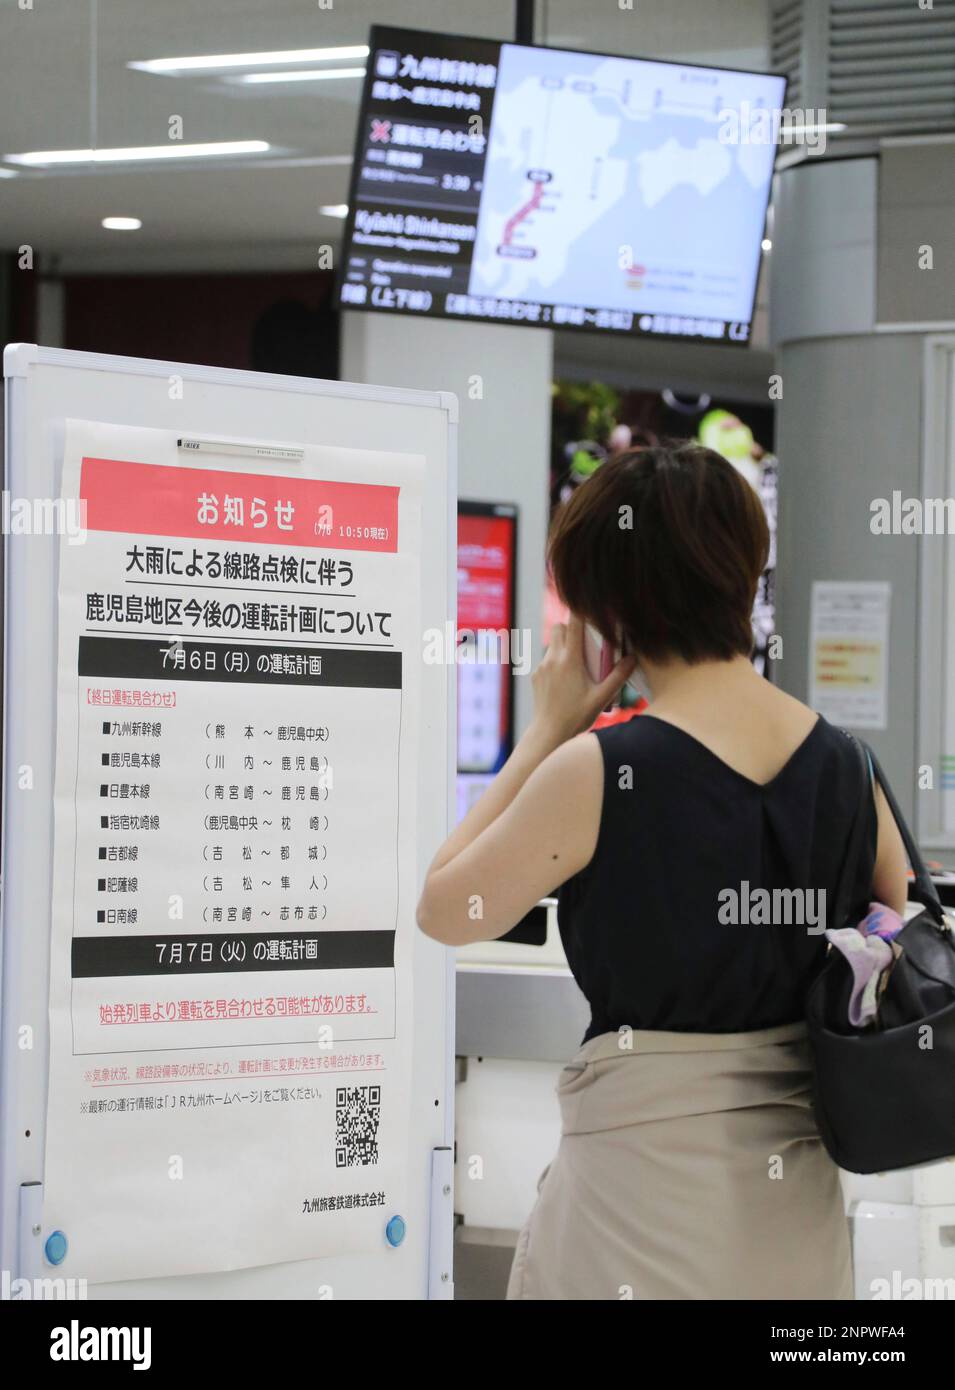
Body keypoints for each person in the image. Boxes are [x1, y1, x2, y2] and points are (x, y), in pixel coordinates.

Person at [416, 441, 908, 1301]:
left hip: (631, 1209)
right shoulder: (847, 768)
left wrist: (549, 729)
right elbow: (899, 940)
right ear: (744, 572)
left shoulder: (600, 769)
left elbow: (444, 908)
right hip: (795, 1217)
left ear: (609, 607)